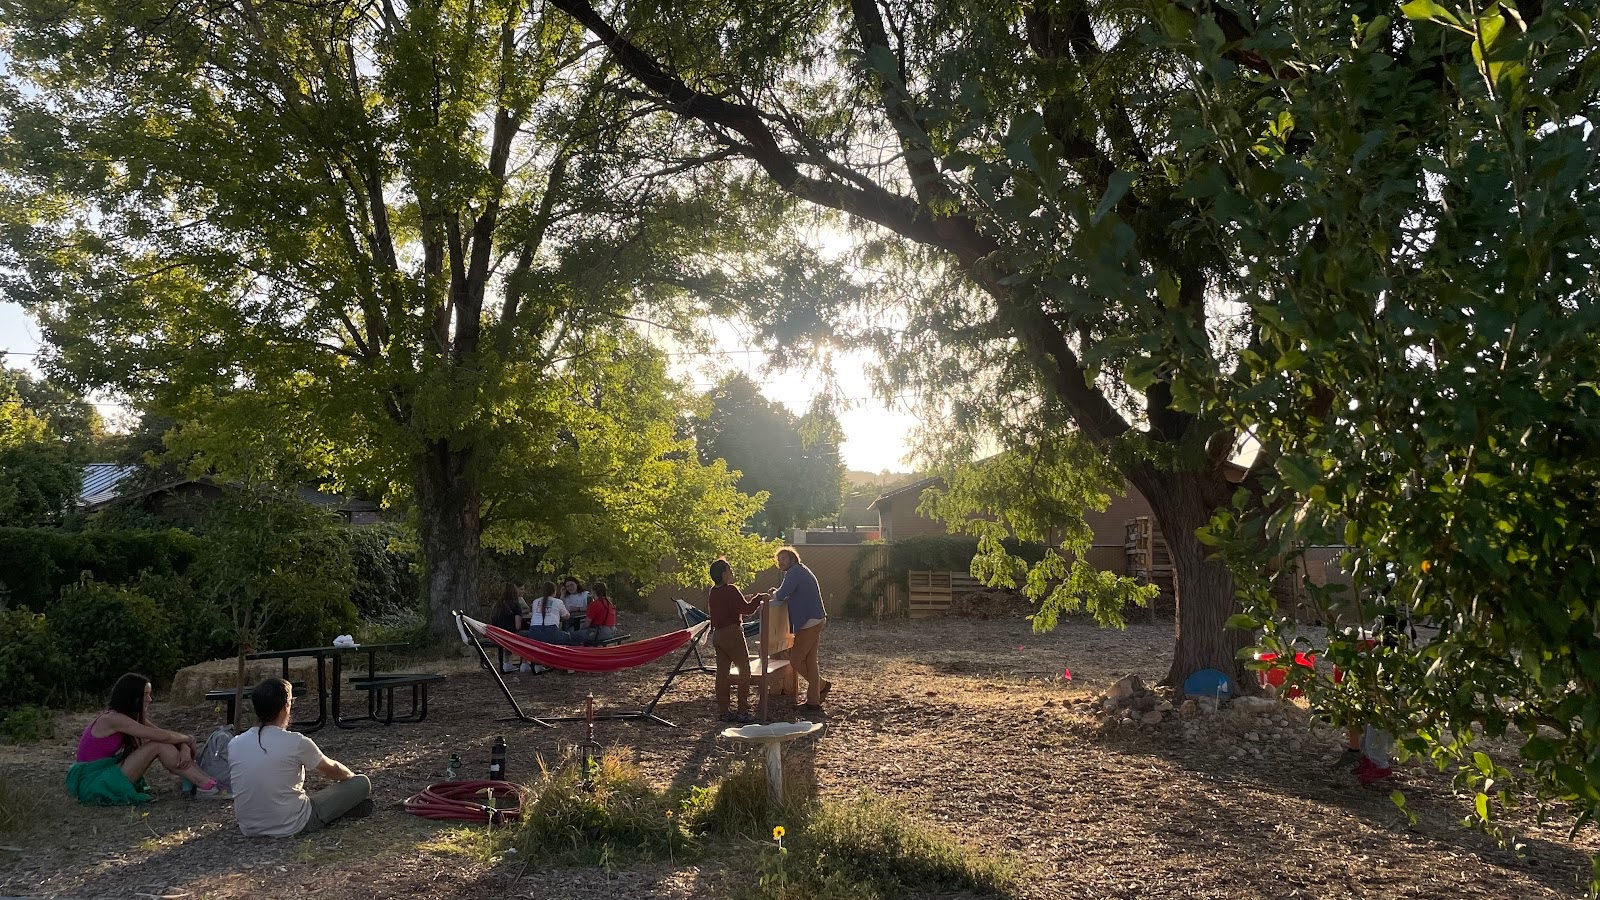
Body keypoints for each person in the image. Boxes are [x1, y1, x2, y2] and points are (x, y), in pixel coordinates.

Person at [228, 678, 374, 836]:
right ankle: (342, 809)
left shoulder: (235, 743)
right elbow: (332, 770)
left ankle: (343, 809)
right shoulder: (296, 742)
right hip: (293, 823)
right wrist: (351, 779)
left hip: (249, 827)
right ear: (285, 707)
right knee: (362, 782)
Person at [66, 673, 227, 805]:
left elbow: (164, 735)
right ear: (132, 697)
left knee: (161, 744)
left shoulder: (131, 717)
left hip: (106, 772)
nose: (150, 699)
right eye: (146, 695)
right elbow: (162, 737)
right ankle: (207, 785)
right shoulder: (113, 719)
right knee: (157, 744)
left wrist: (184, 745)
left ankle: (206, 783)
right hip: (95, 781)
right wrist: (187, 739)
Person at [771, 546, 832, 712]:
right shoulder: (799, 571)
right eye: (778, 559)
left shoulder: (795, 572)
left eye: (784, 558)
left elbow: (782, 594)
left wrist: (773, 594)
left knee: (796, 660)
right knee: (811, 660)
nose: (780, 562)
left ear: (792, 559)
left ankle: (821, 685)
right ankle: (814, 701)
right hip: (815, 618)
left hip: (809, 622)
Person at [708, 557, 764, 723]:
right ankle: (742, 711)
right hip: (732, 633)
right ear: (725, 575)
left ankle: (724, 711)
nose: (731, 573)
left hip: (717, 635)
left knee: (722, 674)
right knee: (744, 670)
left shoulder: (713, 592)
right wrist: (759, 598)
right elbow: (746, 609)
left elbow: (726, 606)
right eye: (730, 570)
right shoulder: (731, 590)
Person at [518, 581, 577, 673]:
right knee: (570, 638)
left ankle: (536, 664)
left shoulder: (535, 601)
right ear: (554, 591)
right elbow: (566, 616)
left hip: (534, 633)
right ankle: (569, 666)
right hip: (551, 633)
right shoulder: (558, 602)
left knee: (533, 638)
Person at [492, 583, 529, 672]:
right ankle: (524, 663)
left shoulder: (496, 605)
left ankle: (506, 663)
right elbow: (517, 626)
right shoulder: (515, 604)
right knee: (528, 635)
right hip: (509, 634)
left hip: (497, 634)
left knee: (510, 634)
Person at [581, 581, 619, 645]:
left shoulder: (594, 604)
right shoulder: (609, 603)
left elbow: (587, 624)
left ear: (594, 592)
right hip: (612, 631)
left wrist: (581, 631)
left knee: (573, 633)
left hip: (600, 633)